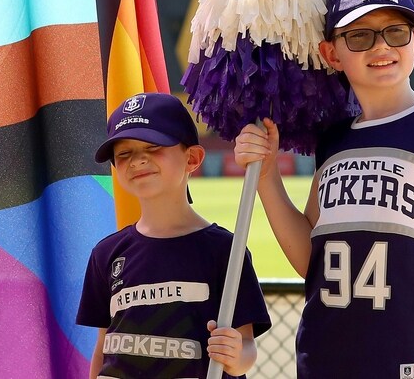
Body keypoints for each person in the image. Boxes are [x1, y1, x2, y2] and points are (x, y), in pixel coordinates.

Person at [234, 0, 414, 379]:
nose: (381, 46)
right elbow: (311, 261)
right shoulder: (333, 139)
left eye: (396, 32)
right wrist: (268, 176)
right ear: (331, 54)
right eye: (359, 36)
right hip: (325, 361)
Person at [76, 92, 271, 379]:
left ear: (192, 158)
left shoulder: (226, 250)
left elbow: (247, 347)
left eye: (153, 147)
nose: (137, 161)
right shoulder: (106, 253)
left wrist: (235, 356)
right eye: (124, 154)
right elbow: (103, 348)